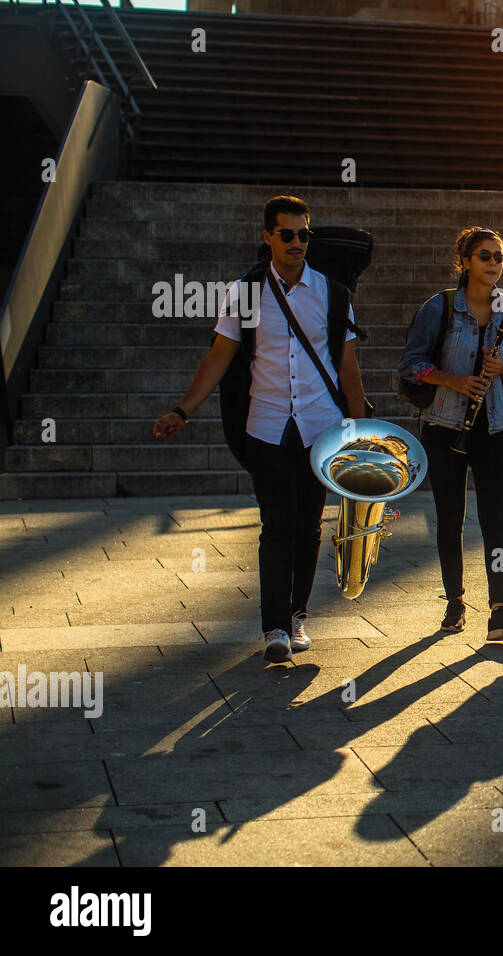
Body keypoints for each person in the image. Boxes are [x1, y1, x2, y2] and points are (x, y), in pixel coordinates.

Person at [153, 195, 368, 662]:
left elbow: (348, 365)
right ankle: (274, 625)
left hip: (321, 425)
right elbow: (219, 356)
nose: (297, 243)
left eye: (304, 234)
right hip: (266, 423)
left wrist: (358, 426)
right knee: (278, 522)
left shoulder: (333, 293)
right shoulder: (245, 293)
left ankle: (298, 616)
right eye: (287, 234)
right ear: (268, 236)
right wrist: (182, 410)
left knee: (309, 524)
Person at [397, 227, 503, 641]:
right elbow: (410, 363)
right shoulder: (438, 308)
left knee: (497, 522)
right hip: (443, 427)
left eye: (499, 257)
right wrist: (453, 380)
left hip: (494, 427)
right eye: (484, 256)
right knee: (450, 520)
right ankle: (454, 602)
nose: (493, 263)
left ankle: (499, 609)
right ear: (465, 261)